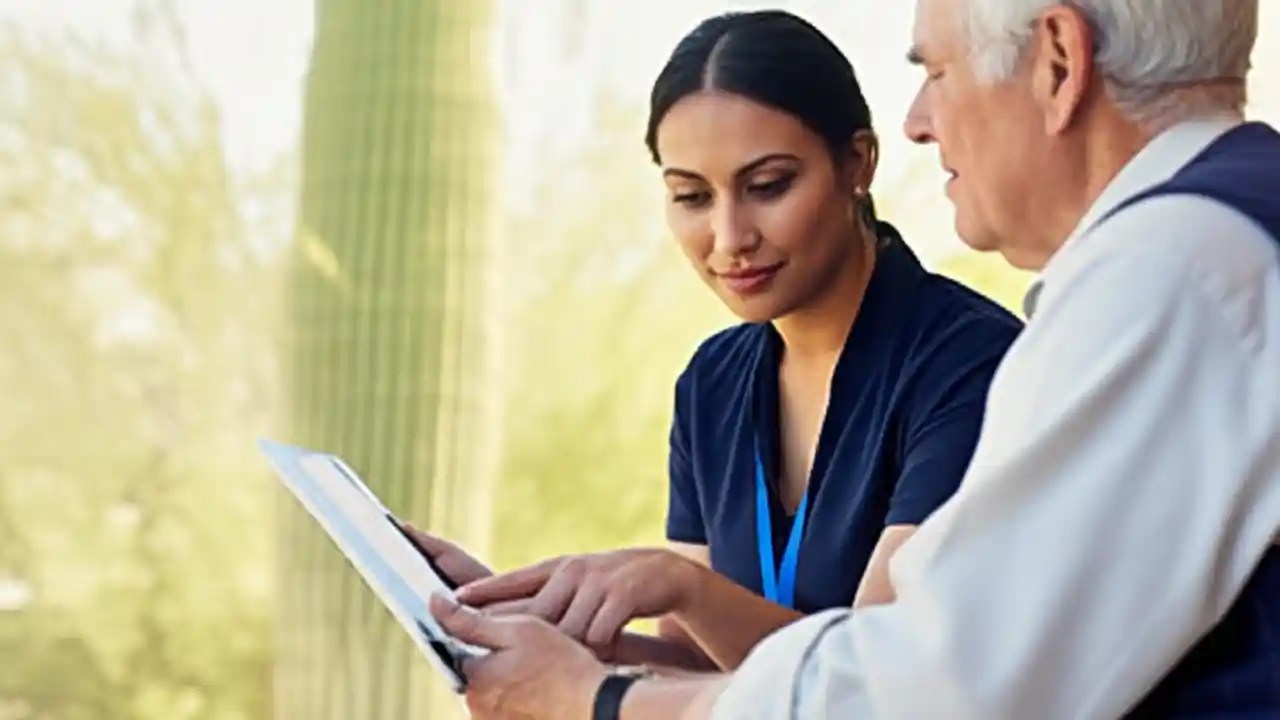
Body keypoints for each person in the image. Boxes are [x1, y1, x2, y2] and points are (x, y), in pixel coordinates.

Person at [425, 0, 1280, 718]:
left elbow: (934, 686)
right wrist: (530, 632)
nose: (917, 120)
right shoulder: (1221, 236)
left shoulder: (1173, 270)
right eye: (690, 195)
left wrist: (599, 700)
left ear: (1058, 60)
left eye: (936, 73)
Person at [408, 6, 1020, 684]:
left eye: (767, 187)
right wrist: (523, 624)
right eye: (692, 197)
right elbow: (703, 667)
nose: (729, 238)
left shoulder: (971, 365)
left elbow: (872, 683)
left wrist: (683, 586)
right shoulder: (713, 383)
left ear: (857, 162)